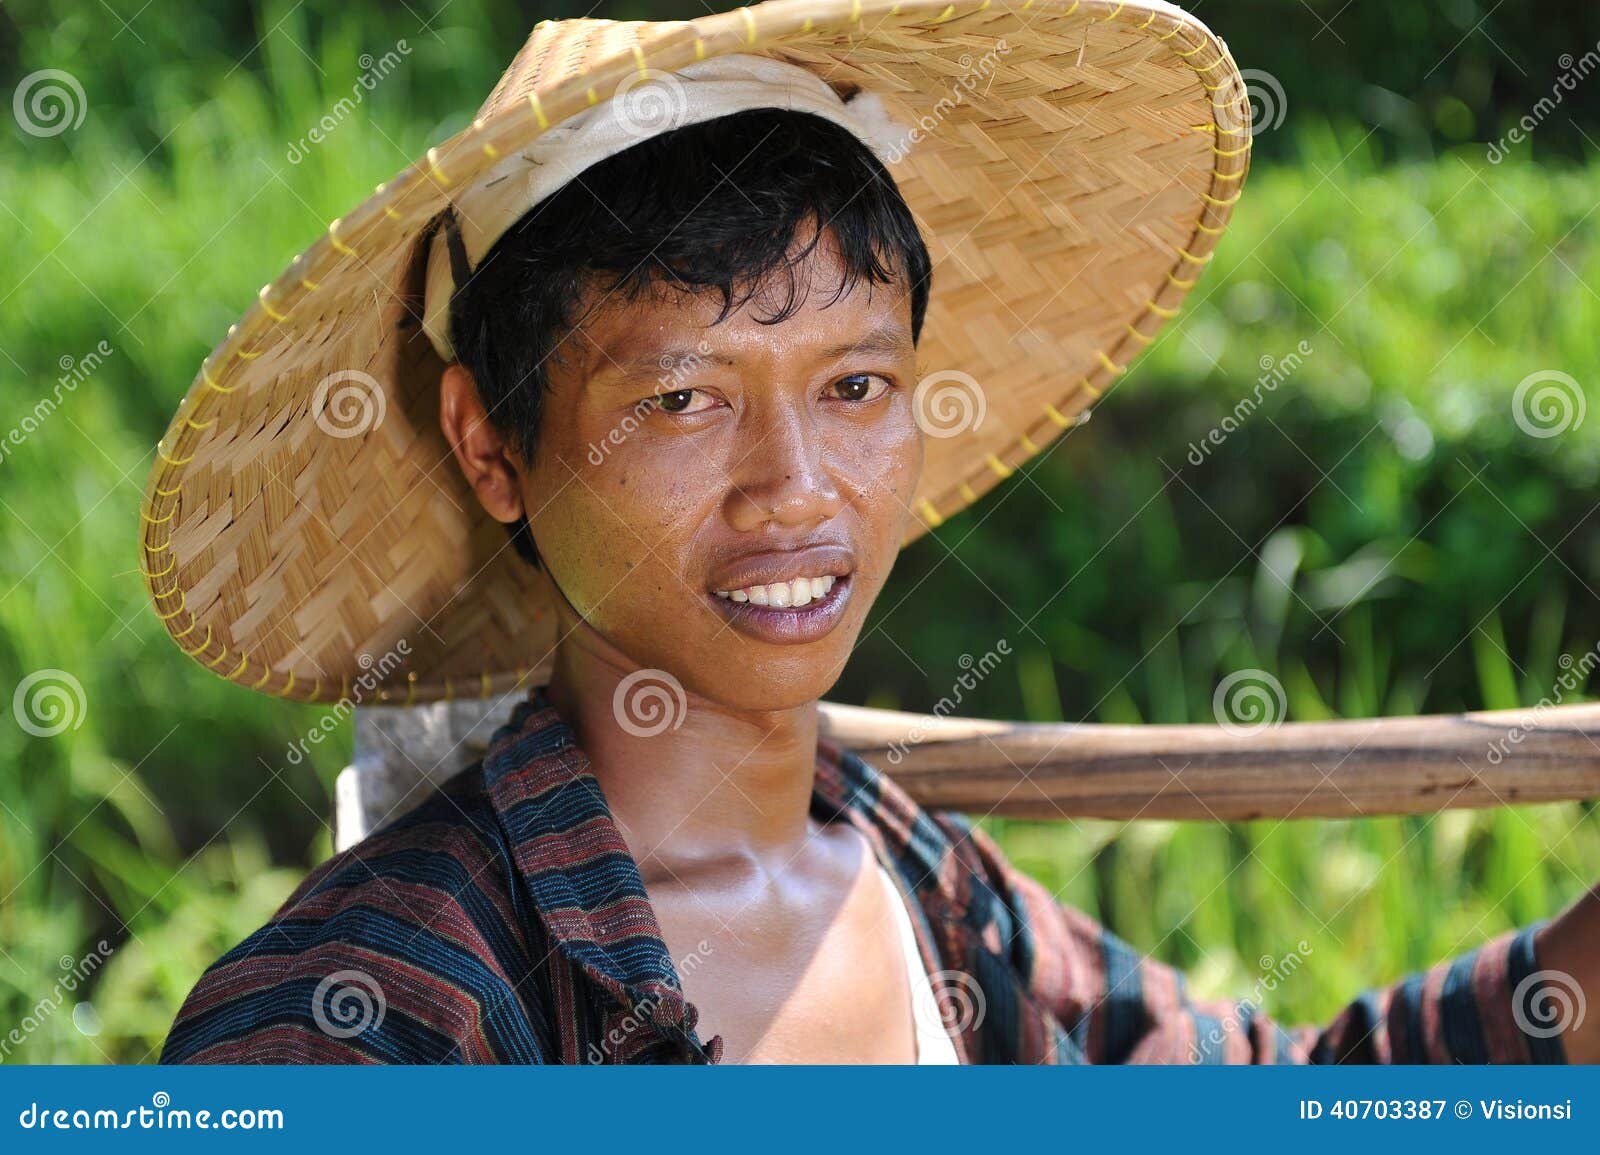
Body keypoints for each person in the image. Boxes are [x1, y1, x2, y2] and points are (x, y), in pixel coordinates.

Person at [146, 3, 1598, 1064]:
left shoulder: (925, 892)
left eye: (854, 387)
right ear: (491, 444)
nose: (794, 489)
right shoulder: (371, 1020)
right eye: (680, 401)